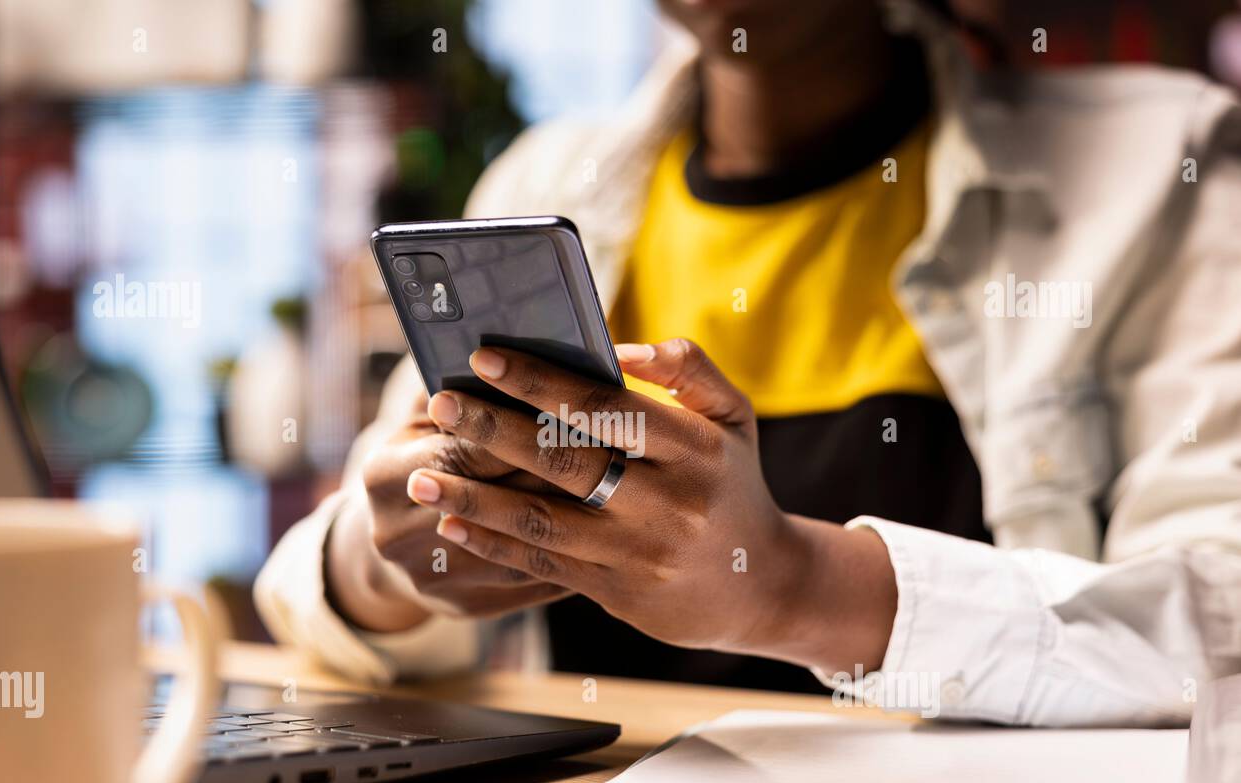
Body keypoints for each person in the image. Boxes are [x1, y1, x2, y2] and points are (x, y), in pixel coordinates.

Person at [255, 0, 1241, 726]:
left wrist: (794, 587)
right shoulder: (551, 182)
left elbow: (1218, 624)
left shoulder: (1163, 163)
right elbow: (323, 575)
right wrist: (389, 562)